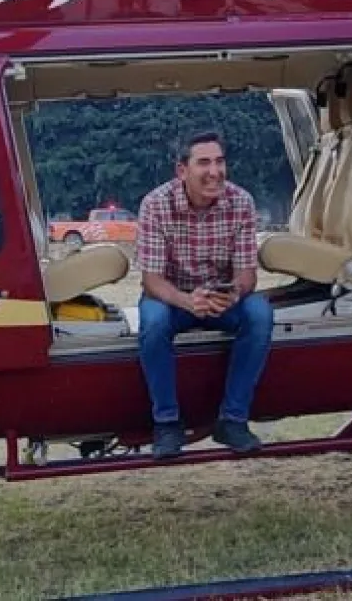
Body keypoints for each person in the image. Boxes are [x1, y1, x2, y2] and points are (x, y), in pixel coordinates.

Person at [134, 129, 274, 459]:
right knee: (152, 321)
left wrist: (234, 292)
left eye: (220, 162)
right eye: (204, 163)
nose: (215, 171)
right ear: (182, 170)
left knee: (260, 313)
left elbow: (247, 274)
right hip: (173, 299)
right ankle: (167, 423)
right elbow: (151, 280)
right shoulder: (155, 205)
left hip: (221, 298)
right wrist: (187, 301)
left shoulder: (241, 201)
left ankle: (233, 419)